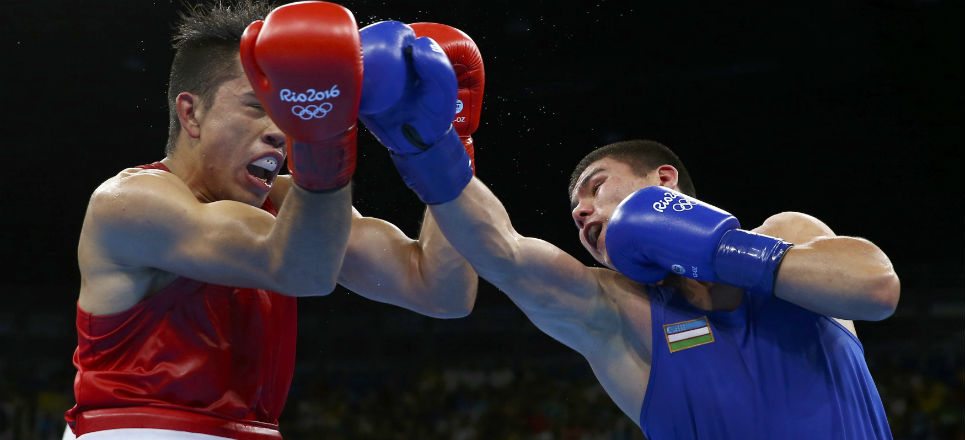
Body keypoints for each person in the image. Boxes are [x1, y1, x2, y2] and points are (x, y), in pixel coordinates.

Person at [358, 21, 902, 438]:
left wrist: (717, 249)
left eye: (596, 187)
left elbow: (876, 289)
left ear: (663, 181)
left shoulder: (789, 230)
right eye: (575, 212)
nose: (581, 213)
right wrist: (428, 147)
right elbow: (502, 251)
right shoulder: (617, 314)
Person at [63, 2, 477, 439]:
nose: (281, 130)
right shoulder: (130, 202)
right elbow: (300, 270)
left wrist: (443, 148)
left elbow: (442, 291)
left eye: (288, 109)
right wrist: (323, 139)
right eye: (257, 105)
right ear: (191, 113)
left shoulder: (293, 205)